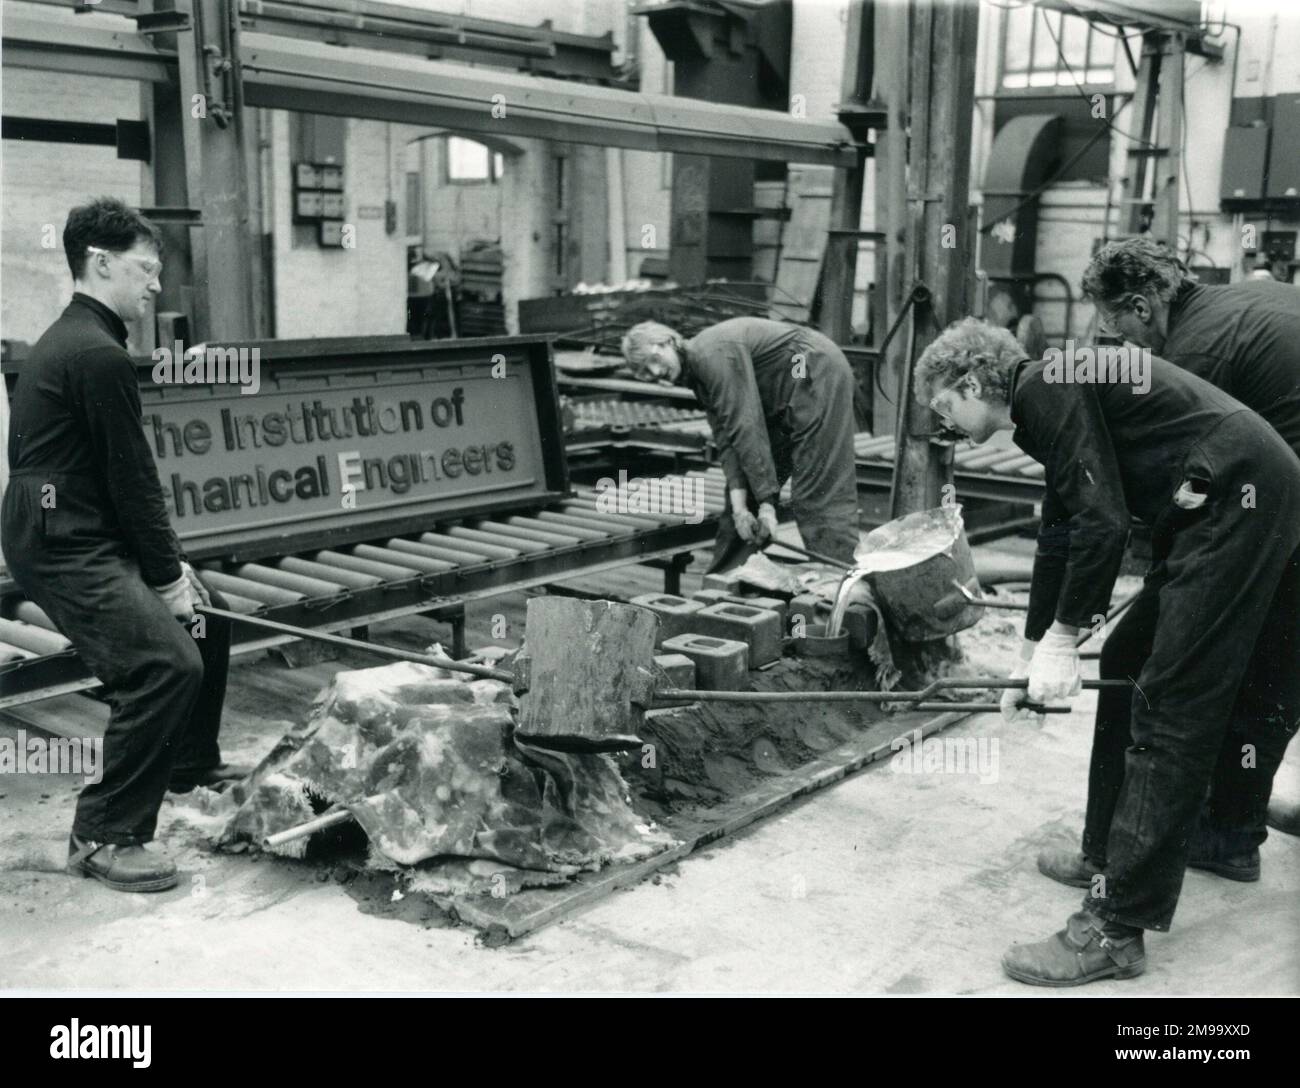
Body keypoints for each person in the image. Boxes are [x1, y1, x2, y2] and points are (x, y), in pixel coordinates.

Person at [915, 317, 1300, 986]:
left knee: (1172, 703)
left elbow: (1105, 522)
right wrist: (1031, 651)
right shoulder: (1047, 395)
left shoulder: (1042, 386)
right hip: (1219, 498)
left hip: (1242, 500)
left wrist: (1066, 639)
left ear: (972, 382)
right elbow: (1063, 531)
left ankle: (1116, 930)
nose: (944, 424)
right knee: (1125, 661)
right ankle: (1104, 858)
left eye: (945, 407)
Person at [1031, 238, 1300, 898]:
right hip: (1282, 510)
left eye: (1113, 328)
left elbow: (1180, 485)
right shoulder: (1232, 303)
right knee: (1271, 671)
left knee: (1143, 663)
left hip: (1277, 516)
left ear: (1142, 305)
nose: (1114, 346)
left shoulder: (1193, 355)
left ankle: (1114, 863)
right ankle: (1230, 835)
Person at [2, 197, 245, 893]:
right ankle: (104, 834)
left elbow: (103, 475)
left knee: (210, 613)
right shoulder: (95, 353)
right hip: (60, 540)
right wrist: (163, 577)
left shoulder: (78, 341)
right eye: (146, 267)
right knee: (164, 666)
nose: (156, 284)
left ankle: (188, 765)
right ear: (100, 262)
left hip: (67, 520)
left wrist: (175, 575)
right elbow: (132, 479)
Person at [621, 317, 860, 567]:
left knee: (816, 493)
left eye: (655, 361)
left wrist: (767, 505)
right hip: (783, 396)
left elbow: (746, 425)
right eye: (647, 374)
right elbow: (727, 440)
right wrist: (739, 510)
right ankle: (726, 581)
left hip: (812, 369)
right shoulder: (697, 373)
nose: (658, 373)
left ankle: (844, 586)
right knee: (746, 492)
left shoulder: (711, 354)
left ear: (669, 341)